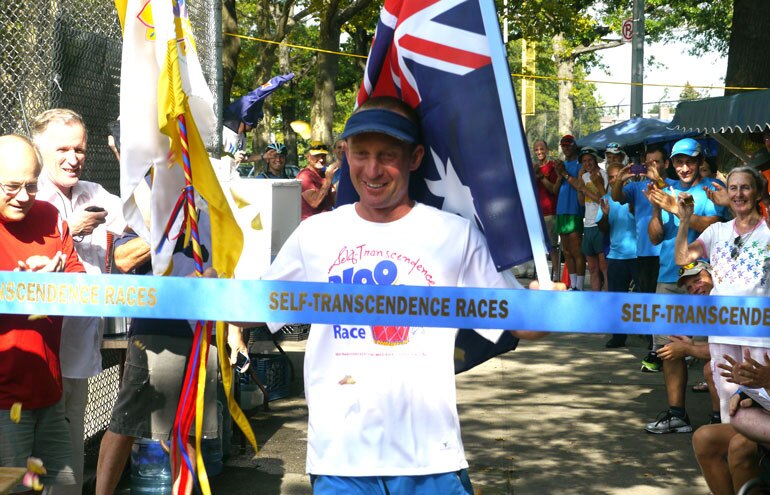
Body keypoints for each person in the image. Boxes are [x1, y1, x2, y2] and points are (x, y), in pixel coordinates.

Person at [229, 96, 553, 494]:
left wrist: (550, 305)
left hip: (430, 460)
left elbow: (521, 324)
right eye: (361, 153)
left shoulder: (454, 235)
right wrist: (199, 290)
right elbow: (252, 311)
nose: (372, 169)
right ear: (344, 154)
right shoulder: (316, 235)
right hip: (340, 461)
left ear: (414, 157)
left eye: (387, 155)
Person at [30, 109, 128, 495]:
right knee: (31, 450)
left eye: (81, 149)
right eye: (63, 149)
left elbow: (139, 216)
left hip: (79, 343)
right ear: (39, 150)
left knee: (70, 439)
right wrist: (72, 229)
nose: (74, 158)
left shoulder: (93, 192)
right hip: (37, 349)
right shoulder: (25, 193)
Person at [95, 210, 219, 495]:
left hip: (203, 328)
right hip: (157, 327)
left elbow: (228, 261)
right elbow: (123, 259)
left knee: (188, 430)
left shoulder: (213, 203)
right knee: (126, 423)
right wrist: (170, 226)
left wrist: (216, 275)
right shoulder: (150, 207)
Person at [0, 134, 85, 493]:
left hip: (48, 391)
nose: (23, 197)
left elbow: (81, 284)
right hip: (3, 403)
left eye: (31, 186)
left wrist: (57, 277)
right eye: (11, 187)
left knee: (64, 486)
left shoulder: (50, 216)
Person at [644, 138, 725, 434]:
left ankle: (719, 419)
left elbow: (714, 226)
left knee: (711, 351)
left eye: (689, 161)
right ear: (672, 164)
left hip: (704, 282)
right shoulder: (666, 192)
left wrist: (677, 209)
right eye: (678, 162)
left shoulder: (711, 190)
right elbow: (654, 237)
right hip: (669, 278)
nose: (684, 167)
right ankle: (677, 414)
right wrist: (656, 209)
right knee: (669, 349)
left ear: (699, 161)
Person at [611, 145, 670, 362]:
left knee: (670, 303)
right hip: (645, 253)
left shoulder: (671, 185)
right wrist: (620, 180)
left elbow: (668, 196)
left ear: (666, 164)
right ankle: (655, 347)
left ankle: (673, 347)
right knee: (651, 301)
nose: (652, 167)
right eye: (648, 163)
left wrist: (659, 182)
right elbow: (617, 197)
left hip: (667, 253)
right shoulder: (638, 187)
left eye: (656, 162)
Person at [596, 162, 637, 348]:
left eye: (617, 175)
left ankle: (651, 339)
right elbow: (603, 228)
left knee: (644, 297)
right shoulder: (606, 199)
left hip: (639, 256)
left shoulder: (635, 195)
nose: (614, 180)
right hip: (616, 256)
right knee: (617, 298)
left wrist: (634, 210)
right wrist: (604, 215)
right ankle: (618, 336)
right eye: (611, 177)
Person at [553, 134, 586, 290]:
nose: (565, 148)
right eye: (563, 145)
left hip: (574, 211)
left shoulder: (581, 165)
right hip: (561, 211)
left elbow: (580, 186)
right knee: (566, 251)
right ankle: (573, 285)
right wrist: (559, 175)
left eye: (568, 145)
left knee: (577, 250)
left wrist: (565, 173)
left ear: (574, 146)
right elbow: (554, 190)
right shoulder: (563, 165)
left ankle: (579, 285)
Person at [576, 146, 608, 291]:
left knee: (603, 267)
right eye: (584, 161)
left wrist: (585, 189)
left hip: (599, 223)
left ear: (595, 160)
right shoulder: (584, 177)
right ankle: (595, 298)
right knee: (593, 268)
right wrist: (580, 186)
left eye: (590, 160)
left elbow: (604, 199)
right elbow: (582, 202)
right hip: (587, 225)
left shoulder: (604, 174)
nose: (587, 163)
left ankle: (607, 298)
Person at [532, 140, 560, 281]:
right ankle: (540, 275)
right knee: (538, 247)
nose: (539, 152)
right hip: (536, 213)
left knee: (552, 247)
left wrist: (541, 177)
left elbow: (554, 190)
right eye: (536, 149)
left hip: (550, 213)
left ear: (547, 149)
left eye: (541, 148)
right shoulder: (533, 167)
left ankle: (555, 276)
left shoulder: (553, 167)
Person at [296, 140, 338, 220]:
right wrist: (328, 180)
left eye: (323, 156)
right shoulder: (305, 175)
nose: (321, 159)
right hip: (311, 225)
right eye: (317, 156)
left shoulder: (324, 174)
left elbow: (335, 201)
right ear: (308, 157)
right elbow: (314, 202)